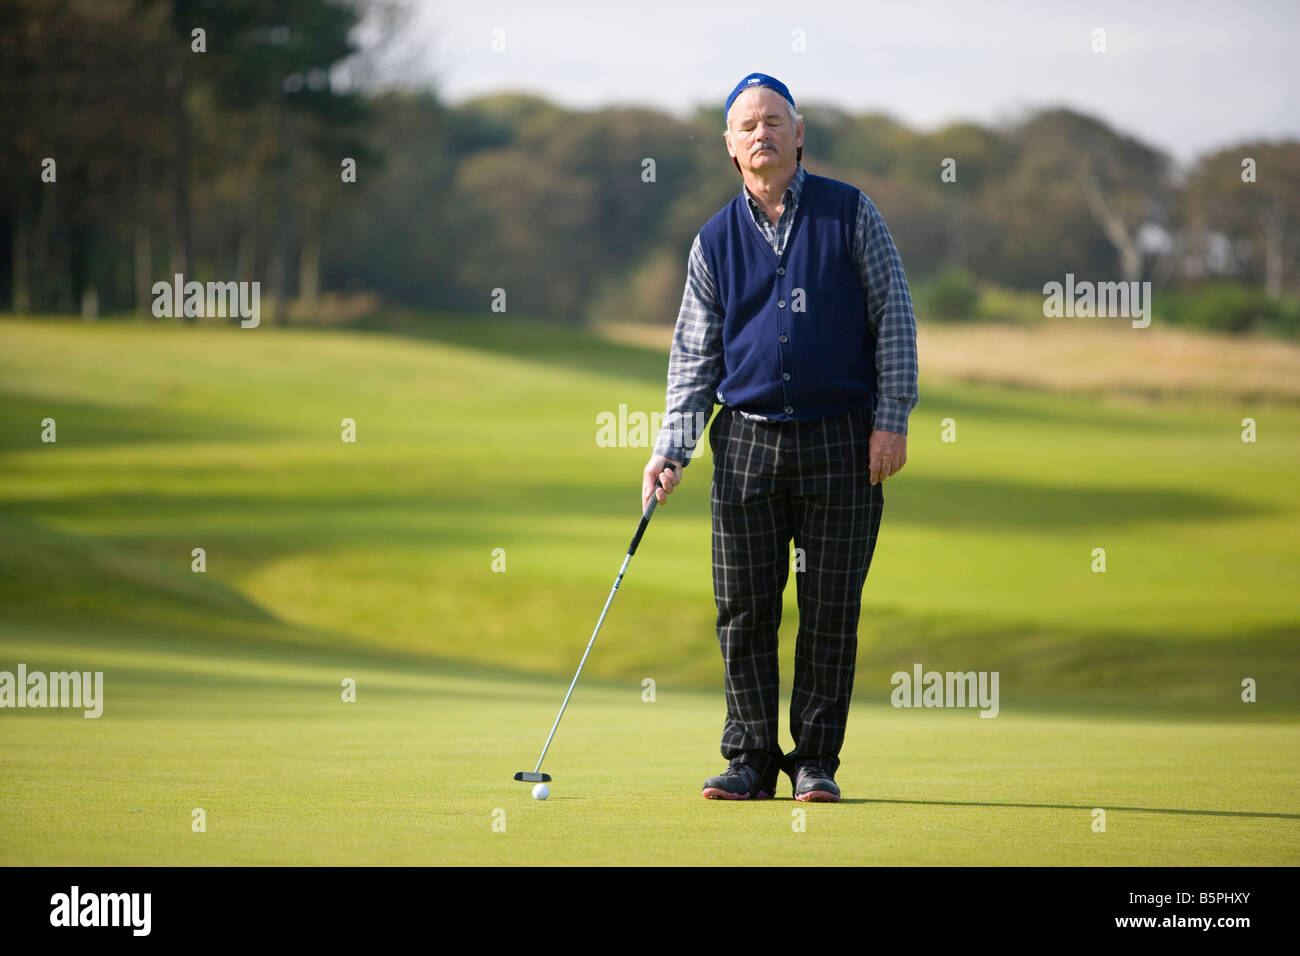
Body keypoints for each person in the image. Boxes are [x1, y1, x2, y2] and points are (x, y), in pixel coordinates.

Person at [642, 72, 919, 802]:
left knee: (830, 605)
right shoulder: (712, 241)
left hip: (844, 437)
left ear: (799, 135)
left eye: (774, 120)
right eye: (747, 125)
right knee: (744, 607)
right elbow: (694, 358)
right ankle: (750, 759)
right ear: (731, 148)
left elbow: (895, 317)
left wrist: (892, 417)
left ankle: (815, 761)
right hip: (746, 443)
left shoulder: (850, 213)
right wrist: (671, 447)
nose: (761, 132)